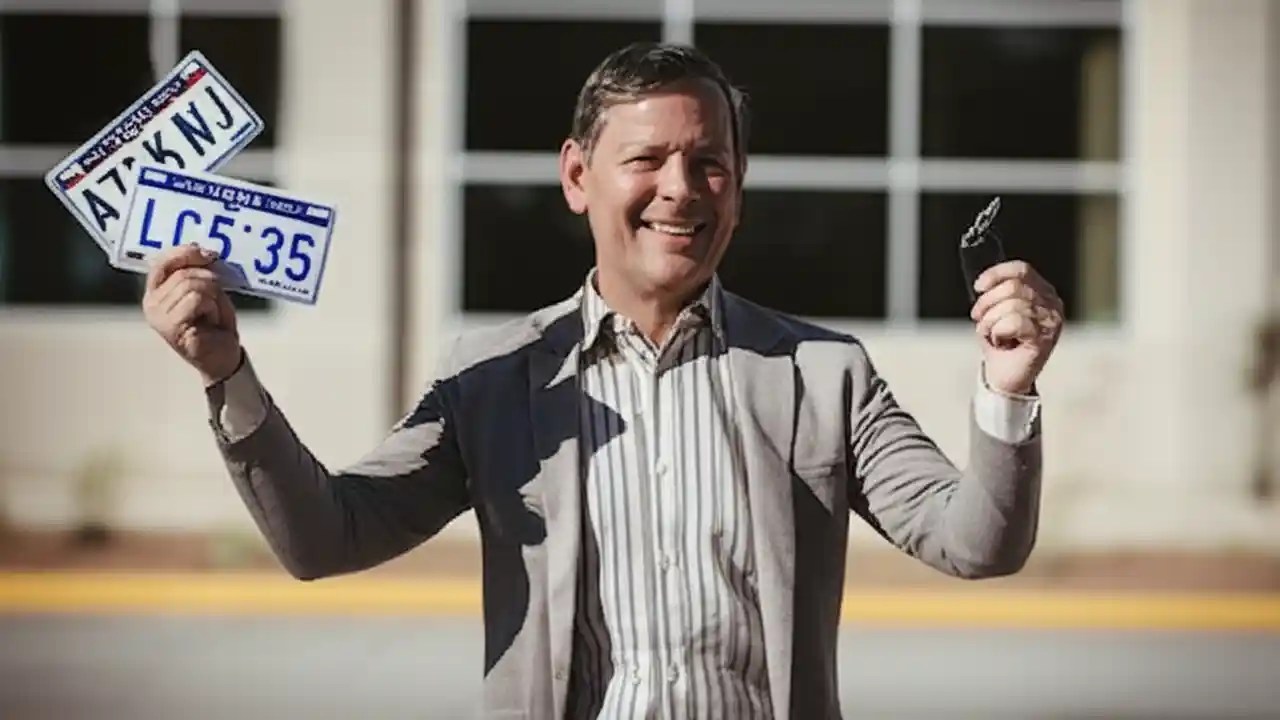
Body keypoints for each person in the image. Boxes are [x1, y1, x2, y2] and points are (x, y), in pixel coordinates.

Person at [142, 42, 1063, 720]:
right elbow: (327, 538)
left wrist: (1008, 388)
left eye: (710, 164)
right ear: (579, 176)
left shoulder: (826, 376)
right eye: (648, 160)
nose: (683, 189)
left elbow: (974, 543)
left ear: (738, 189)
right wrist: (228, 373)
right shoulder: (493, 380)